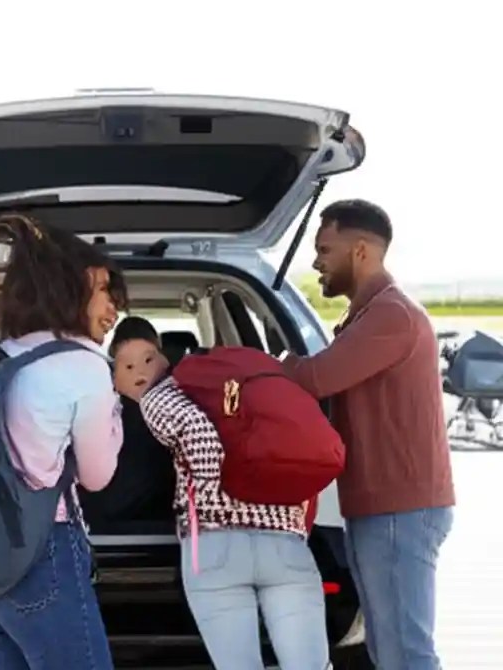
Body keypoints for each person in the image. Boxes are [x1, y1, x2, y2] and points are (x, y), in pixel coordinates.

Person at [280, 199, 454, 669]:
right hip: (383, 507)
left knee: (407, 651)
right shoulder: (371, 316)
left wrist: (279, 363)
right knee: (387, 650)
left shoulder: (391, 316)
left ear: (360, 250)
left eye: (324, 249)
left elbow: (317, 378)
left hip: (401, 509)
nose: (316, 262)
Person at [0, 213, 124, 670]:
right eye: (103, 290)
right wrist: (115, 409)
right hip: (41, 551)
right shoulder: (84, 364)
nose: (113, 307)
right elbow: (98, 476)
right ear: (67, 288)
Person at [111, 316, 330, 669]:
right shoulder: (236, 388)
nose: (140, 372)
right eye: (129, 366)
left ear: (166, 359)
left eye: (147, 360)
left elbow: (200, 437)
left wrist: (212, 491)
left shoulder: (160, 397)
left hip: (216, 548)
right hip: (285, 541)